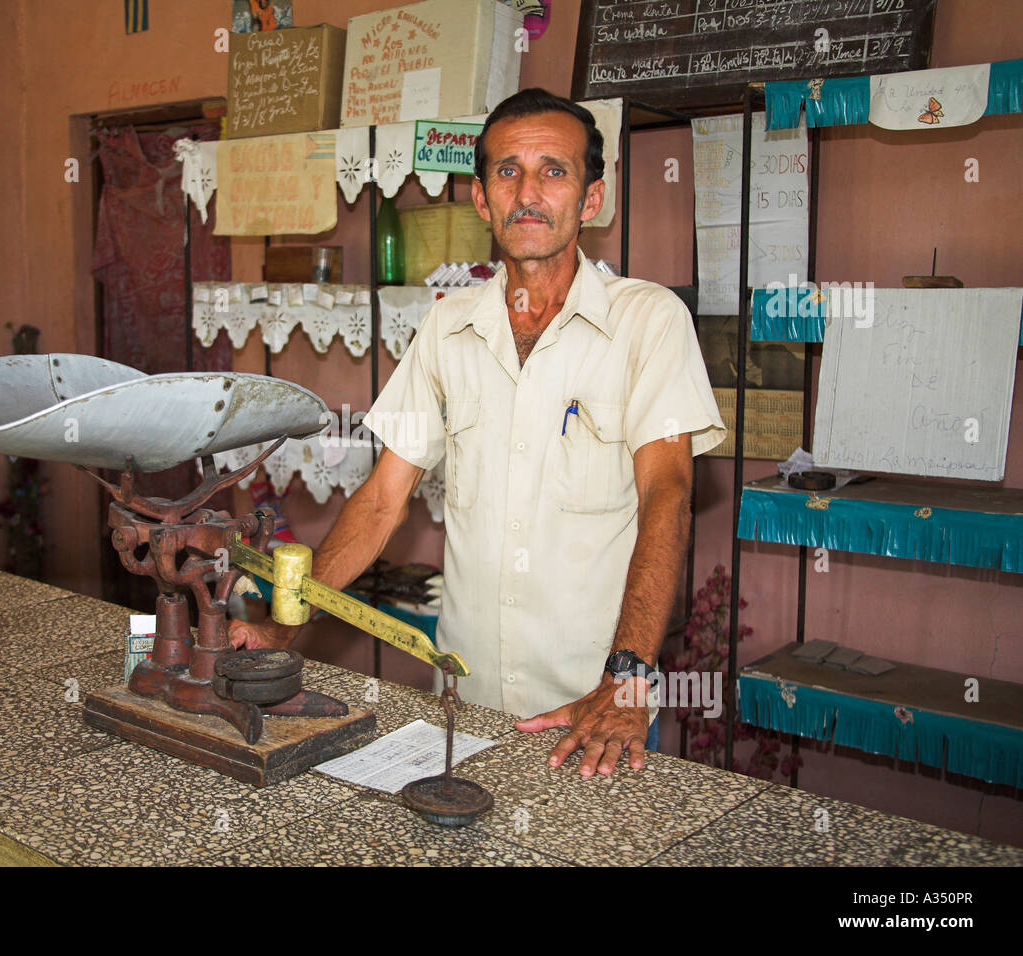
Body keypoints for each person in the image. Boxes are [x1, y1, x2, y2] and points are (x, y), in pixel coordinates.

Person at [229, 88, 725, 777]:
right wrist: (286, 625)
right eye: (506, 172)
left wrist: (629, 677)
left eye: (554, 171)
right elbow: (380, 502)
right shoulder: (447, 326)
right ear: (481, 199)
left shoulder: (649, 322)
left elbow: (667, 496)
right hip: (468, 712)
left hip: (597, 713)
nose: (528, 192)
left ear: (591, 199)